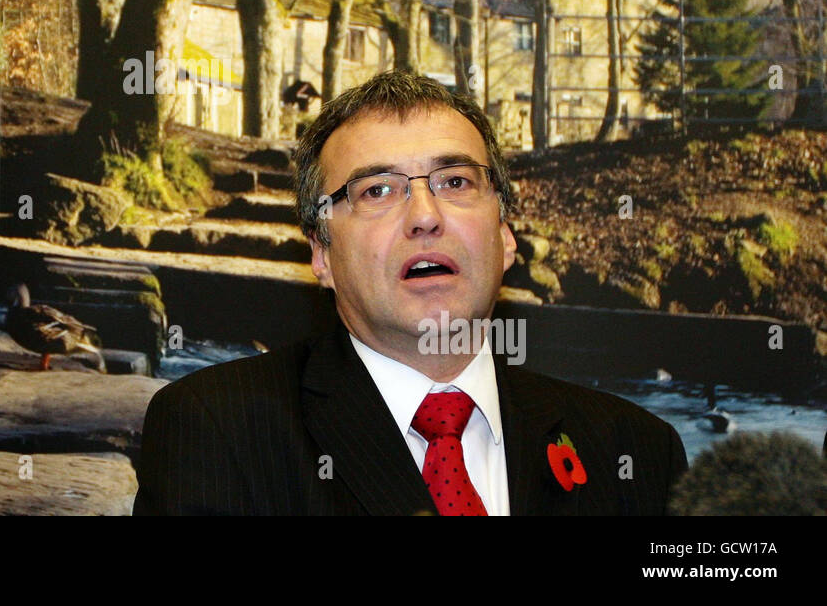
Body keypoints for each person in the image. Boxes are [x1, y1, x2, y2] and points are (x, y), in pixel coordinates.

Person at [133, 71, 687, 515]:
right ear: (322, 255)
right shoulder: (217, 429)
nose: (425, 215)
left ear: (505, 237)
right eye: (377, 190)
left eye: (455, 182)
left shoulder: (637, 451)